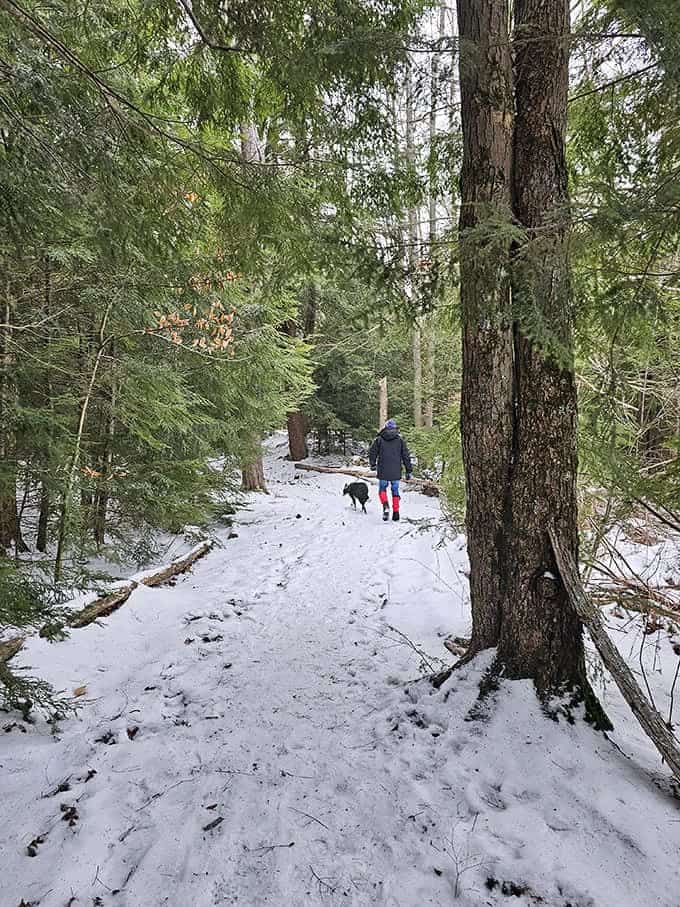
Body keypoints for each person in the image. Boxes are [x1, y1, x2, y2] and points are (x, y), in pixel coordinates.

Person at [369, 418, 412, 522]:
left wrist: (373, 464)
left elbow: (372, 452)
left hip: (383, 469)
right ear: (395, 428)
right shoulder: (400, 440)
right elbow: (406, 456)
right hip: (396, 470)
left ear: (386, 427)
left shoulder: (379, 439)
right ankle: (396, 512)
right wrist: (408, 470)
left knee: (382, 489)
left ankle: (385, 505)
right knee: (395, 490)